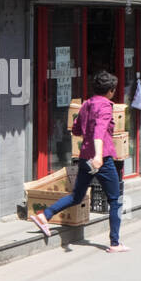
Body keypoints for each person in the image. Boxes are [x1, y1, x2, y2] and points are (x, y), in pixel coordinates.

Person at [31, 70, 127, 252]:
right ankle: (115, 243)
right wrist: (99, 156)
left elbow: (75, 130)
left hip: (85, 157)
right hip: (102, 159)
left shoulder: (86, 105)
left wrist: (88, 138)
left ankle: (45, 215)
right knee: (115, 199)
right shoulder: (106, 106)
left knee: (77, 196)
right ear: (111, 91)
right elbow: (99, 131)